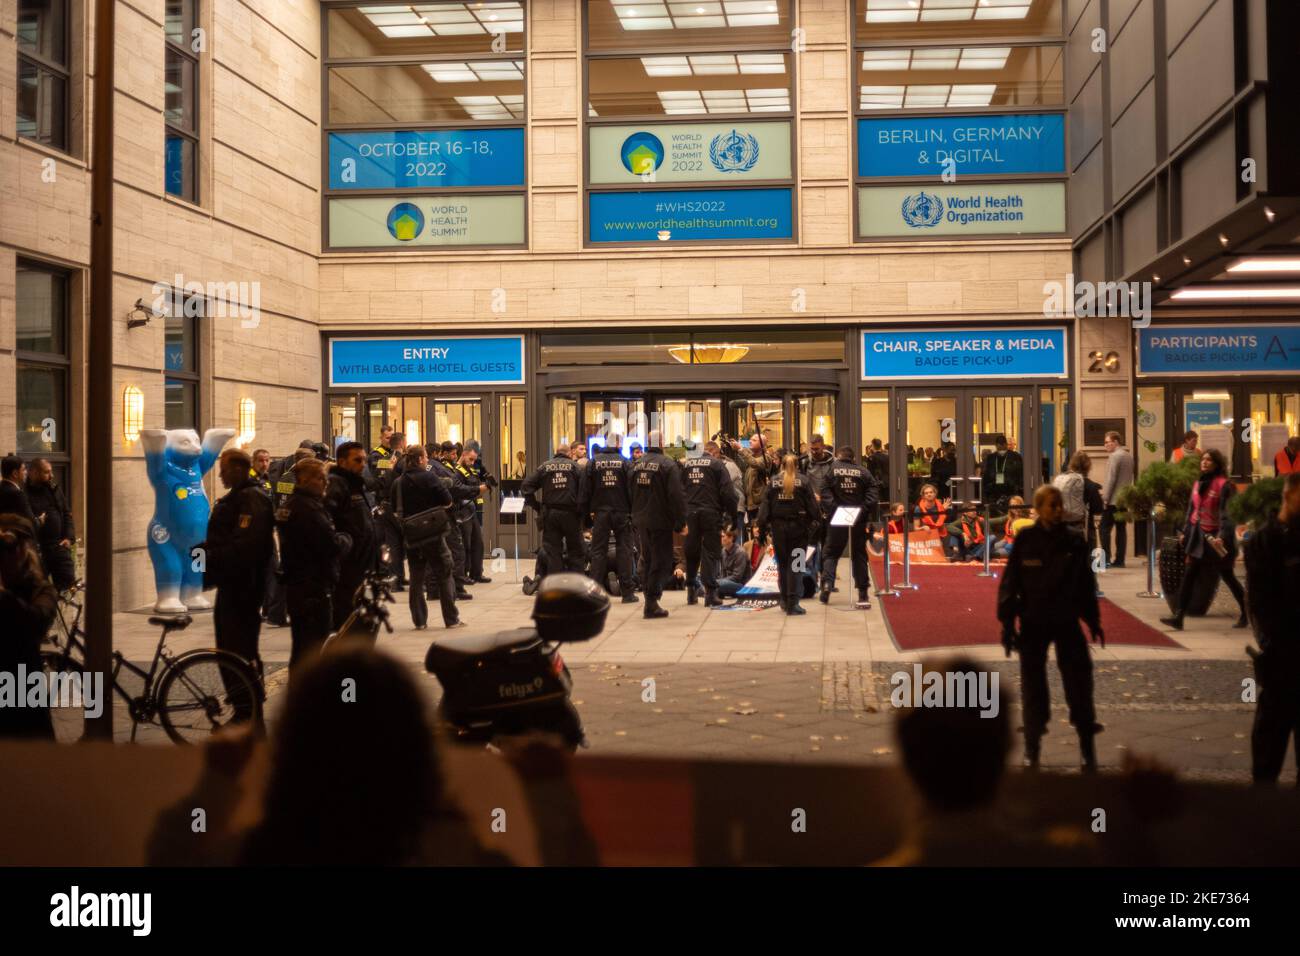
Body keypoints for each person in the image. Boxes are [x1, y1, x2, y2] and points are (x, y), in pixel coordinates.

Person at [997, 484, 1105, 771]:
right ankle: (1032, 746)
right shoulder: (1027, 539)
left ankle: (1086, 745)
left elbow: (1084, 584)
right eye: (1052, 505)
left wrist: (1093, 620)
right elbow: (1011, 582)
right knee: (1033, 686)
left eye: (1059, 505)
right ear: (1039, 507)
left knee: (1079, 682)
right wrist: (1007, 624)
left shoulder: (1074, 540)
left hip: (1066, 619)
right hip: (1033, 619)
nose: (1058, 509)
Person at [202, 448, 275, 722]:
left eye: (223, 467)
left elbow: (244, 547)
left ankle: (246, 708)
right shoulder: (241, 497)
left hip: (243, 586)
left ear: (236, 469)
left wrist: (209, 557)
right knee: (234, 648)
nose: (219, 473)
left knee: (236, 649)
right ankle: (246, 703)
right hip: (234, 584)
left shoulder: (251, 498)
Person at [1244, 472, 1300, 785]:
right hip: (1282, 655)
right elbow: (1260, 601)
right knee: (1269, 739)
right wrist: (1269, 640)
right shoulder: (1267, 540)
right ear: (1289, 495)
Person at [276, 458, 351, 675]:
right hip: (312, 587)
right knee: (311, 650)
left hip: (300, 584)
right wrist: (346, 538)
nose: (325, 482)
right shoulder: (308, 508)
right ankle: (304, 699)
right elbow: (330, 545)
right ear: (304, 480)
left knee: (302, 649)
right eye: (320, 478)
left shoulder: (292, 505)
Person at [1160, 448, 1248, 630]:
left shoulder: (1225, 485)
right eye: (1203, 459)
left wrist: (1222, 537)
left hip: (1216, 541)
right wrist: (1185, 531)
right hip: (1198, 538)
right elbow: (1191, 510)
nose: (1204, 462)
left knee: (1228, 576)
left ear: (1217, 464)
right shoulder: (1197, 483)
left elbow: (1228, 515)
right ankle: (1179, 617)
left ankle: (1247, 612)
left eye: (1209, 460)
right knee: (1190, 574)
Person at [0, 513, 57, 739]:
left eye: (10, 548)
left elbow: (36, 621)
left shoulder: (40, 590)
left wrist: (3, 595)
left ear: (24, 550)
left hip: (21, 696)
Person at [393, 446, 460, 630]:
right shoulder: (430, 477)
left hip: (412, 536)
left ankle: (420, 621)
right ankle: (451, 619)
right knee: (444, 573)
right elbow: (447, 500)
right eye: (425, 457)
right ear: (421, 459)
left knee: (416, 577)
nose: (428, 460)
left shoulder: (399, 482)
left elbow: (394, 507)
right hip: (433, 533)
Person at [630, 433, 687, 619]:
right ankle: (652, 600)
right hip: (660, 520)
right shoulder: (667, 465)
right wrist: (680, 522)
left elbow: (629, 491)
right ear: (662, 443)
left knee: (647, 558)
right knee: (662, 561)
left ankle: (649, 599)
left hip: (641, 520)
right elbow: (676, 496)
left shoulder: (636, 465)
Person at [324, 441, 379, 630]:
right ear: (342, 462)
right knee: (344, 617)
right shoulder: (336, 484)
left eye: (364, 459)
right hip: (347, 566)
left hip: (360, 564)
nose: (363, 464)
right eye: (357, 460)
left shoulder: (355, 484)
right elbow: (328, 522)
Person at [756, 454, 816, 616]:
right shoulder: (804, 482)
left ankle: (783, 599)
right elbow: (813, 508)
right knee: (796, 565)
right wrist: (813, 525)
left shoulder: (773, 482)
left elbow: (764, 510)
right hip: (799, 529)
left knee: (782, 564)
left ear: (781, 465)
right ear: (797, 466)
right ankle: (793, 602)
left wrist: (762, 531)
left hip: (778, 529)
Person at [820, 446, 878, 607]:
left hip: (838, 516)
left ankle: (827, 585)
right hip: (858, 517)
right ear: (853, 458)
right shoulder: (863, 472)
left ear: (839, 457)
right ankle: (863, 593)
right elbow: (873, 494)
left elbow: (824, 490)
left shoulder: (832, 470)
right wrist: (863, 510)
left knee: (831, 553)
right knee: (859, 554)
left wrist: (833, 509)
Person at [679, 440, 735, 607]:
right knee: (710, 551)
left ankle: (691, 590)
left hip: (690, 512)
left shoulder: (686, 465)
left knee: (691, 551)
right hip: (710, 512)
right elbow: (727, 491)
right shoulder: (717, 464)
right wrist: (731, 514)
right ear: (712, 452)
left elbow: (679, 490)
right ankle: (710, 593)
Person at [522, 441, 586, 580]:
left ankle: (555, 588)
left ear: (556, 452)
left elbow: (526, 486)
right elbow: (585, 490)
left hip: (550, 514)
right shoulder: (576, 467)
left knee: (553, 552)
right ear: (570, 453)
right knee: (576, 551)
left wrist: (536, 506)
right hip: (571, 514)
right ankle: (577, 587)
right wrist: (581, 510)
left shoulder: (545, 467)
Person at [585, 437, 637, 603]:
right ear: (619, 444)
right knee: (625, 551)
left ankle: (594, 593)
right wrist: (632, 510)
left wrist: (587, 512)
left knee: (598, 551)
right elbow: (631, 489)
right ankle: (627, 593)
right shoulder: (625, 462)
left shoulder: (593, 462)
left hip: (600, 512)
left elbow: (586, 489)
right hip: (622, 512)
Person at [25, 458, 75, 591]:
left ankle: (58, 610)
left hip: (59, 547)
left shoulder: (54, 489)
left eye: (51, 471)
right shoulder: (24, 494)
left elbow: (66, 513)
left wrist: (69, 538)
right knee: (39, 590)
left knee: (67, 585)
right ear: (34, 473)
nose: (51, 475)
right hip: (39, 551)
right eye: (46, 472)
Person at [370, 431, 407, 591]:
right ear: (402, 444)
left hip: (384, 505)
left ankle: (395, 580)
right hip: (398, 507)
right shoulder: (402, 461)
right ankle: (399, 578)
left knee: (393, 544)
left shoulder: (382, 461)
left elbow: (376, 481)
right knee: (406, 543)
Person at [454, 445, 488, 587]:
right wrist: (476, 489)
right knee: (465, 544)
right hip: (462, 511)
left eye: (474, 460)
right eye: (470, 459)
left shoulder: (471, 469)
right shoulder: (456, 471)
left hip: (472, 510)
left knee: (478, 543)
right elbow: (459, 490)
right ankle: (464, 574)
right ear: (463, 455)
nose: (473, 462)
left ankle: (477, 572)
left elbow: (475, 484)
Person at [1099, 430, 1134, 568]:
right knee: (1121, 529)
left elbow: (1111, 479)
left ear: (1116, 442)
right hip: (1124, 499)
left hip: (1113, 500)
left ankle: (1106, 559)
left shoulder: (1115, 456)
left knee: (1103, 528)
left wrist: (1105, 498)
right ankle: (1120, 560)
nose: (1105, 445)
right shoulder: (1128, 456)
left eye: (1108, 442)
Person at [1052, 450, 1090, 536]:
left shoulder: (1060, 477)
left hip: (1059, 520)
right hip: (1076, 521)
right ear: (1087, 466)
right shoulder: (1082, 480)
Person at [979, 435, 1023, 510]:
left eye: (1003, 445)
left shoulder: (1015, 457)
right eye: (999, 446)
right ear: (996, 446)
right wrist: (986, 495)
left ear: (1006, 445)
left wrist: (1018, 490)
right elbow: (986, 477)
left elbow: (1020, 475)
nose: (1001, 448)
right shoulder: (991, 458)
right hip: (994, 493)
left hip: (1011, 492)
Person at [0, 455, 36, 529]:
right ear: (15, 474)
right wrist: (40, 520)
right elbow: (30, 522)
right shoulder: (17, 494)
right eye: (23, 469)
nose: (26, 472)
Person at [716, 527, 751, 599]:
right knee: (706, 581)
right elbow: (723, 572)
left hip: (740, 584)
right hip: (727, 582)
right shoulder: (723, 551)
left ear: (731, 538)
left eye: (723, 536)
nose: (721, 539)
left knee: (717, 584)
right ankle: (715, 590)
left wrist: (720, 581)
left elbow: (737, 577)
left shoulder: (740, 552)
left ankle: (715, 591)